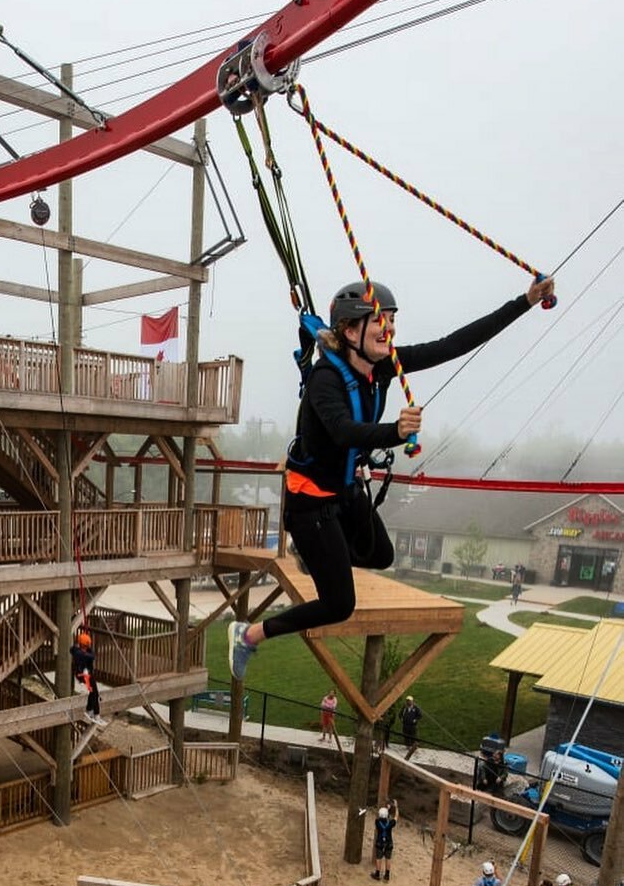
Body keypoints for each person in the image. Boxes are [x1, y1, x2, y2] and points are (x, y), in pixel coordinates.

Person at [226, 276, 555, 681]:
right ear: (350, 331)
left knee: (380, 554)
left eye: (393, 321)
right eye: (381, 321)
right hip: (310, 502)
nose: (390, 330)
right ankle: (249, 635)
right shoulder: (325, 379)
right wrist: (394, 432)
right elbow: (343, 431)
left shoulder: (382, 367)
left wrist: (524, 301)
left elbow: (452, 345)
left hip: (345, 489)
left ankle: (313, 554)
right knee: (338, 604)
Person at [70, 628, 106, 727]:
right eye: (87, 645)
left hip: (85, 674)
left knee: (93, 692)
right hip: (84, 675)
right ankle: (96, 714)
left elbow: (90, 654)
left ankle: (89, 710)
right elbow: (92, 656)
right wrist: (88, 650)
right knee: (95, 693)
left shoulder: (77, 650)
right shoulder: (80, 654)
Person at [370, 802, 397, 881]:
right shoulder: (390, 823)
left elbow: (382, 817)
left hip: (380, 842)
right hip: (389, 843)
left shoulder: (377, 822)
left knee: (379, 858)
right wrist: (396, 807)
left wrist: (386, 810)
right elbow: (396, 817)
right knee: (388, 858)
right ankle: (387, 875)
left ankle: (377, 874)